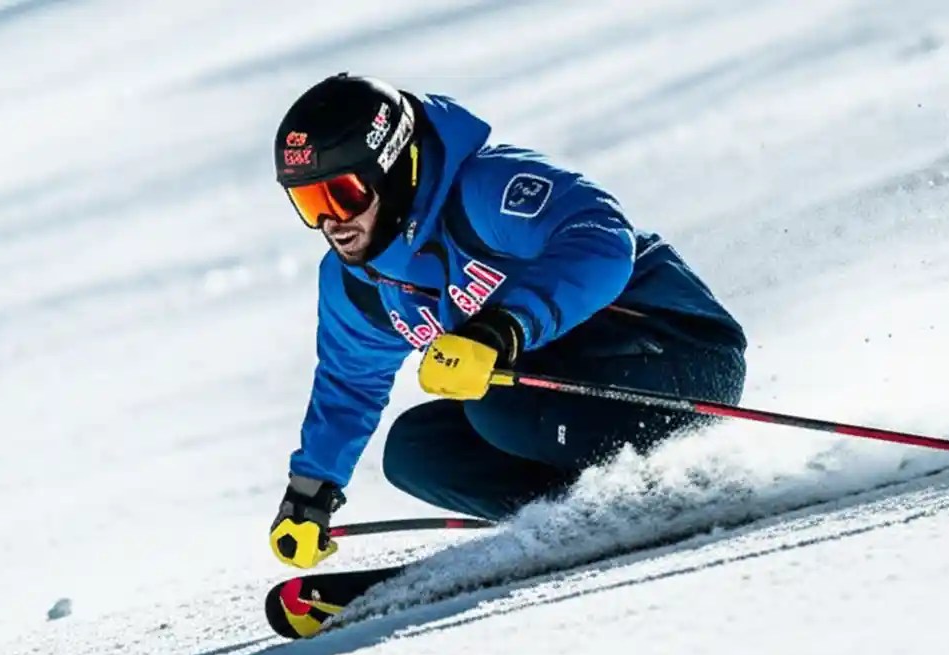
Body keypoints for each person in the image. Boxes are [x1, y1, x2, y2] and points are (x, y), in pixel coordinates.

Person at [268, 73, 747, 571]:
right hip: (568, 397)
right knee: (415, 452)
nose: (331, 224)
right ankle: (584, 519)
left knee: (497, 405)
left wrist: (503, 328)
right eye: (309, 203)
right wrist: (309, 494)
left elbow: (602, 238)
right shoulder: (358, 283)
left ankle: (663, 495)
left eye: (342, 196)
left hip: (676, 352)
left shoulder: (481, 190)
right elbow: (349, 384)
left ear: (391, 168)